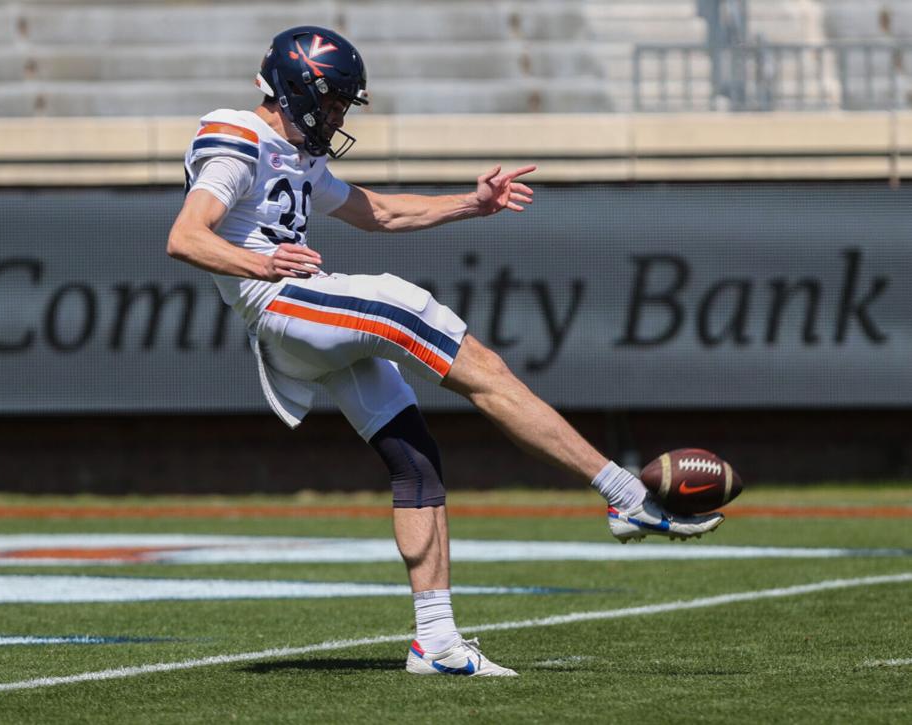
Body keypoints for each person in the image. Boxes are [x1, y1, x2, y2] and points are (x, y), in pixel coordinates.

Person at [167, 25, 723, 678]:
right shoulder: (235, 137)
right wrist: (259, 265)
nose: (339, 115)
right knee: (449, 339)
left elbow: (379, 213)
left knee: (416, 462)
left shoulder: (298, 154)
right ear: (297, 88)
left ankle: (435, 641)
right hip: (284, 303)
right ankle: (622, 493)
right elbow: (185, 236)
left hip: (297, 319)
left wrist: (471, 204)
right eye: (334, 101)